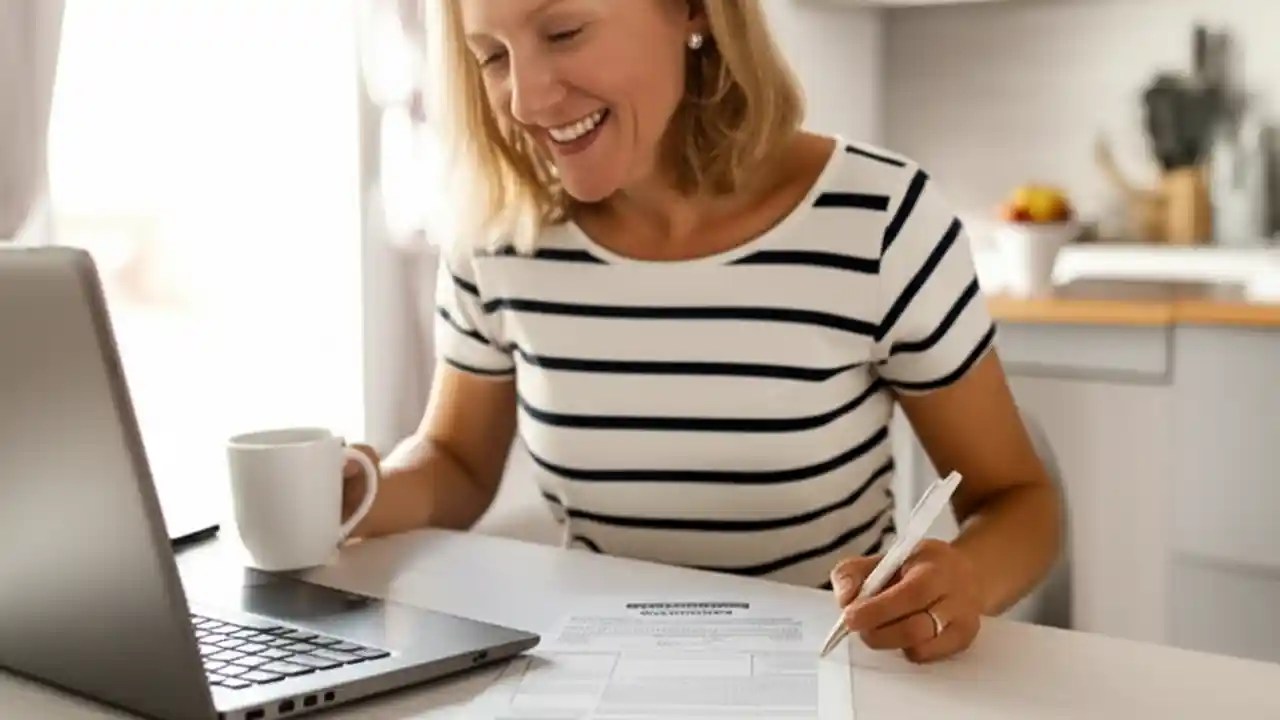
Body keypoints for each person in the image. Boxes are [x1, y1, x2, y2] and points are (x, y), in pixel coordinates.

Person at [344, 0, 1062, 664]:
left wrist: (964, 579)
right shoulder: (500, 240)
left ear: (692, 9)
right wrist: (361, 492)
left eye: (563, 33)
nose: (526, 101)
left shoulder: (881, 219)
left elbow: (1020, 501)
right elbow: (457, 464)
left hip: (824, 674)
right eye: (492, 57)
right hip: (596, 675)